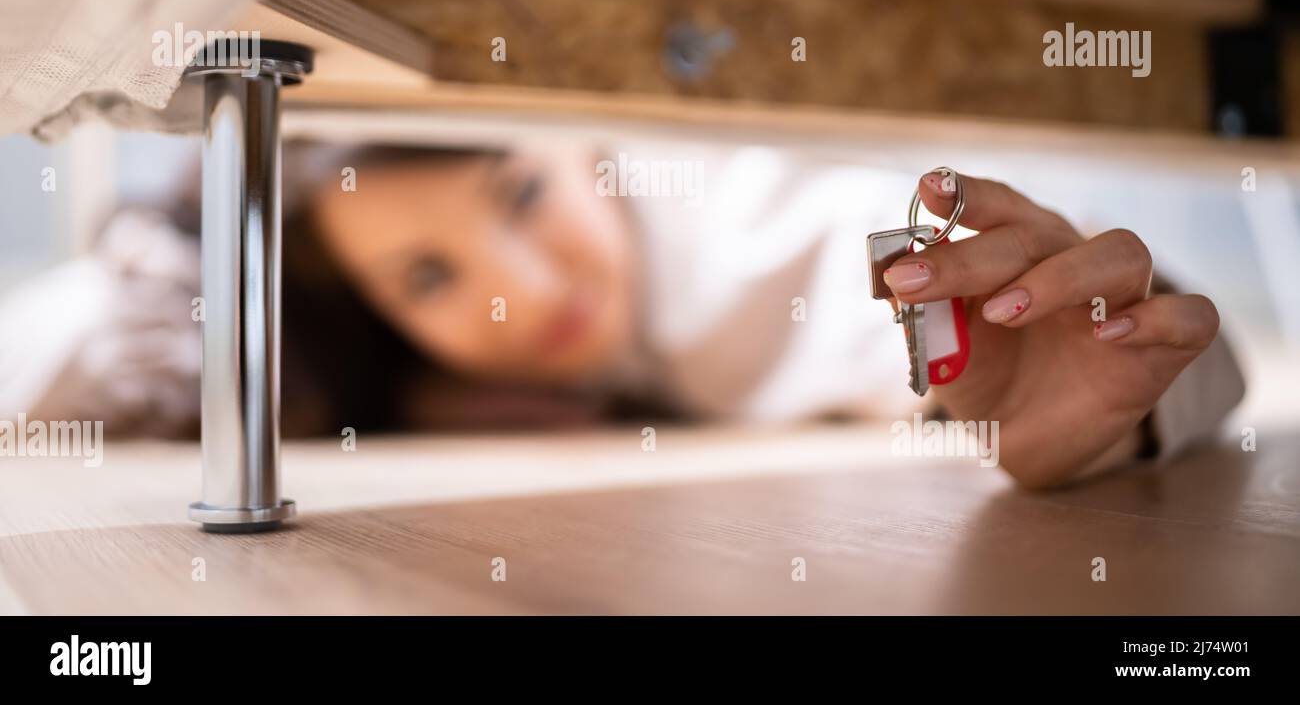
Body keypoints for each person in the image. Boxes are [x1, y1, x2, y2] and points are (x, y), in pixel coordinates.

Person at [0, 138, 1244, 488]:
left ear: (589, 148)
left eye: (522, 193)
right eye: (425, 280)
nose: (523, 290)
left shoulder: (752, 229)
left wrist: (1105, 396)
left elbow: (1168, 336)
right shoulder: (379, 383)